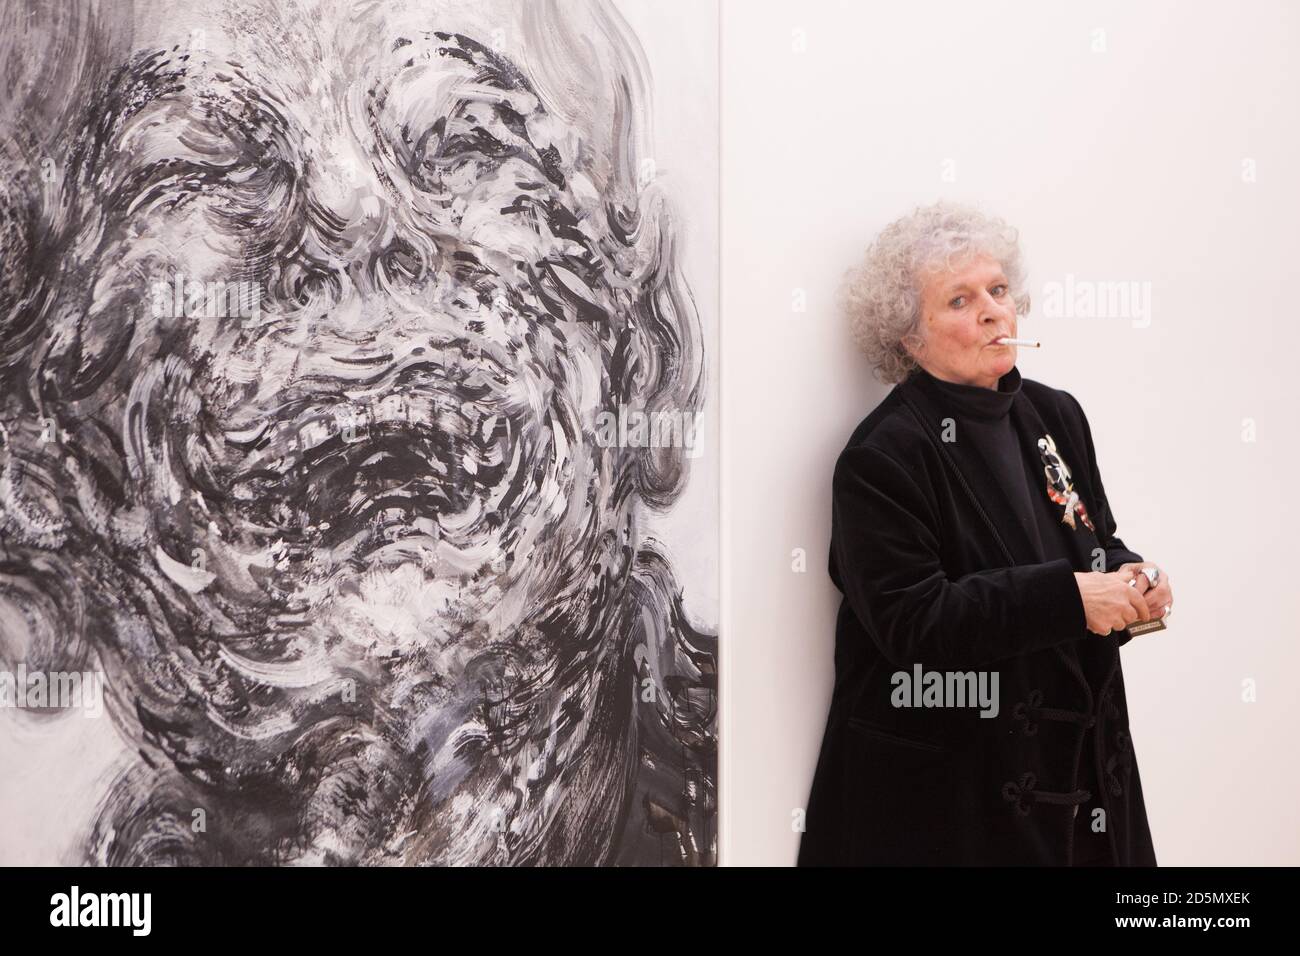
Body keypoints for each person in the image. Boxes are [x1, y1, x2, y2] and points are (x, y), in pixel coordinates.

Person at [797, 200, 1172, 866]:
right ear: (909, 335)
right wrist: (1074, 599)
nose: (995, 311)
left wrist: (1130, 578)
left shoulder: (1054, 414)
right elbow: (916, 623)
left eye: (998, 290)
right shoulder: (883, 458)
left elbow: (1094, 543)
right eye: (962, 300)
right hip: (951, 807)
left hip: (1081, 781)